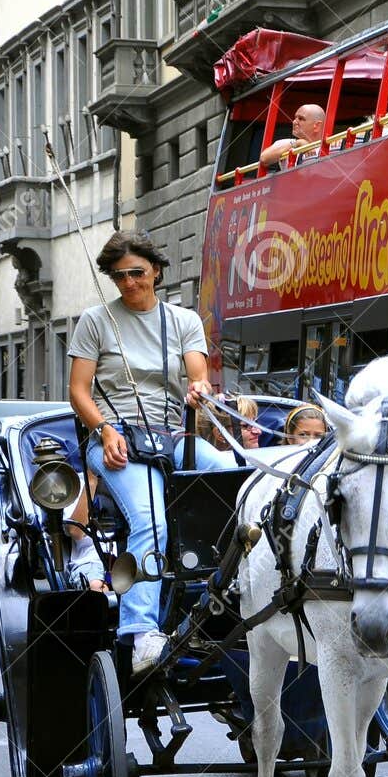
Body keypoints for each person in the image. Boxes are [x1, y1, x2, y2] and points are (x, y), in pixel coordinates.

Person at [68, 231, 237, 675]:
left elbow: (198, 376)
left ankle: (229, 592)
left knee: (232, 479)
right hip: (116, 436)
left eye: (137, 273)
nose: (128, 284)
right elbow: (77, 392)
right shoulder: (95, 321)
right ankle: (141, 631)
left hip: (171, 437)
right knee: (151, 521)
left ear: (156, 272)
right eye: (119, 276)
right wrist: (103, 431)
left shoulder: (182, 321)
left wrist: (199, 389)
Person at [259, 103, 326, 168]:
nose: (294, 122)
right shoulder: (288, 143)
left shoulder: (331, 144)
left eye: (300, 119)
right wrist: (298, 143)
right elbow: (263, 159)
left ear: (317, 126)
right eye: (295, 118)